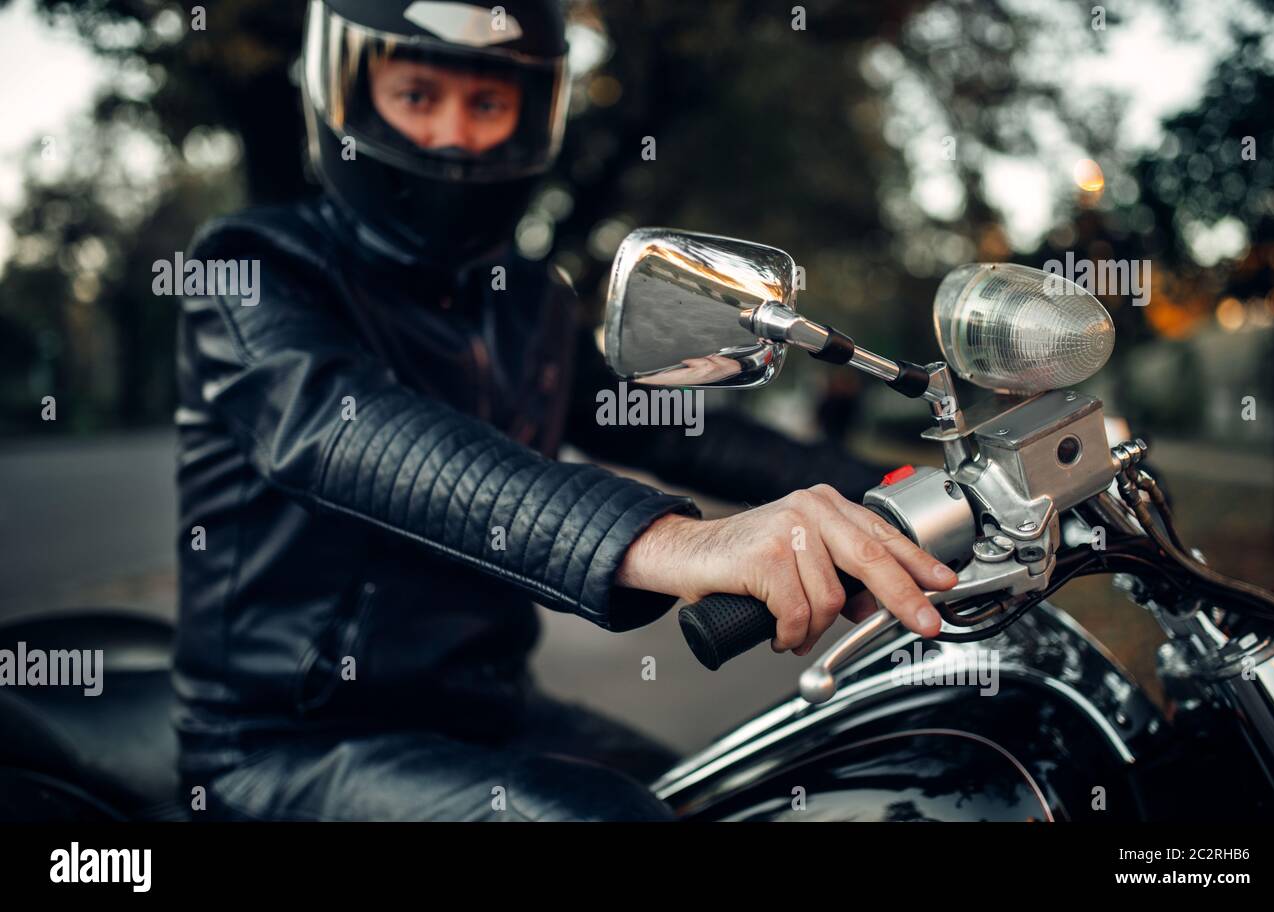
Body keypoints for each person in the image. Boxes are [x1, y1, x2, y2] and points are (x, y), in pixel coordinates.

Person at [172, 0, 955, 822]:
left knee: (739, 798)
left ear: (529, 116)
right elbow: (347, 430)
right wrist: (676, 542)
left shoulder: (529, 304)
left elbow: (678, 430)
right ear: (350, 102)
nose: (451, 133)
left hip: (493, 714)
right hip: (289, 742)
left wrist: (924, 491)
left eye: (485, 103)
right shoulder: (251, 265)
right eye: (415, 95)